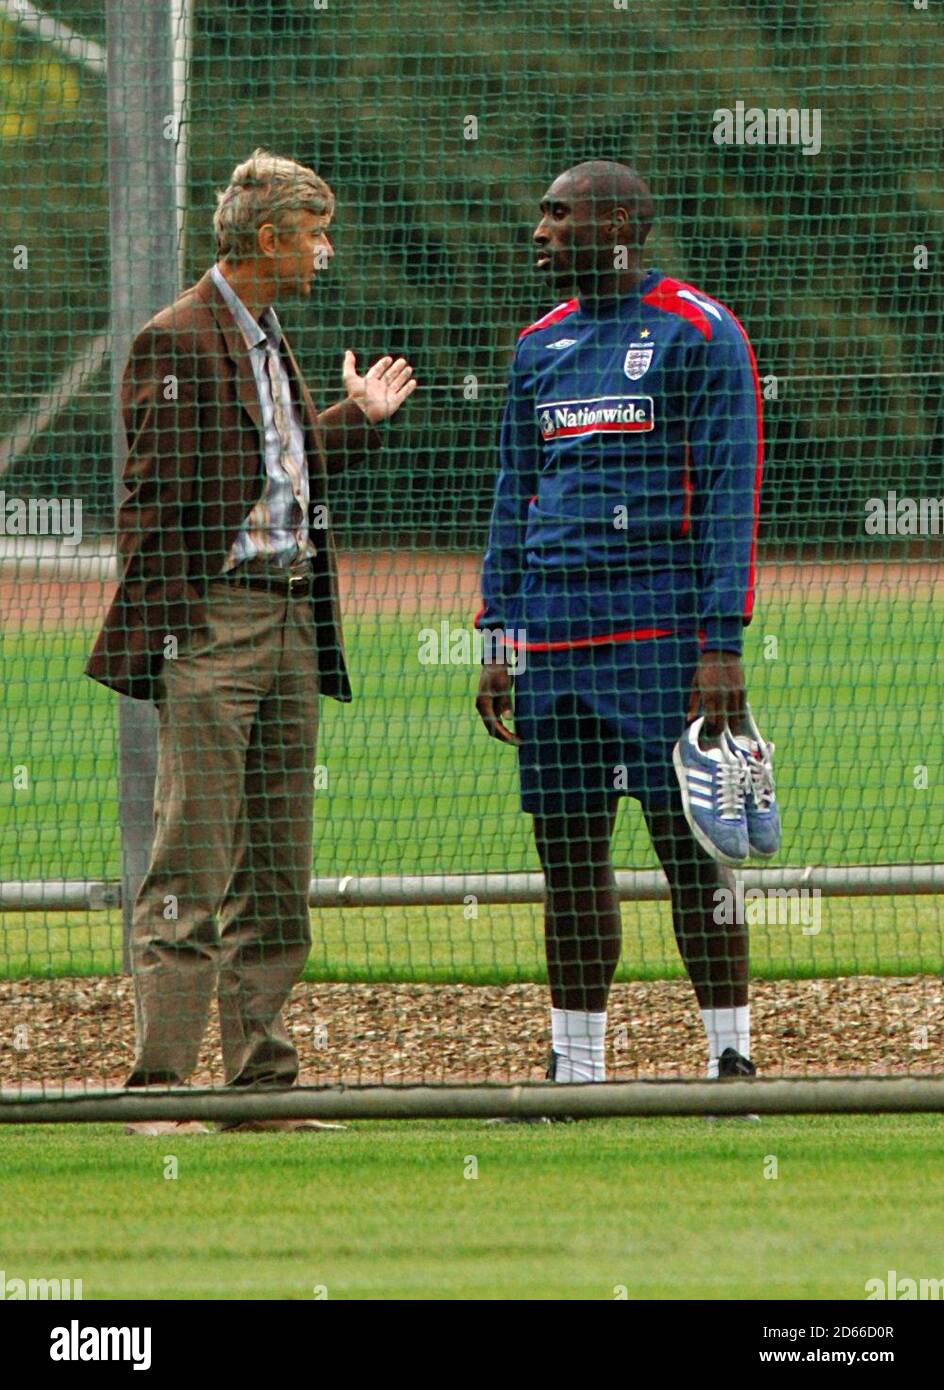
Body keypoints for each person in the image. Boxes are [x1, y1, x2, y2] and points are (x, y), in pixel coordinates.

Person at [86, 148, 416, 1131]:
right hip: (216, 624)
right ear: (270, 239)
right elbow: (149, 509)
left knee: (277, 865)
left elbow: (275, 474)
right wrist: (171, 638)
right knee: (191, 861)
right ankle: (159, 1093)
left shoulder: (268, 335)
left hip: (292, 618)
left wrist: (352, 422)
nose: (325, 252)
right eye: (315, 234)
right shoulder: (176, 340)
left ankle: (258, 1090)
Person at [475, 159, 768, 1088]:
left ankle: (731, 1058)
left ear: (620, 226)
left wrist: (722, 643)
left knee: (692, 859)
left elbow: (731, 494)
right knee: (568, 864)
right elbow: (512, 499)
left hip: (662, 644)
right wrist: (497, 637)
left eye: (558, 214)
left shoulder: (699, 329)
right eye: (542, 212)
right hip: (552, 646)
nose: (540, 230)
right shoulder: (537, 346)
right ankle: (576, 1070)